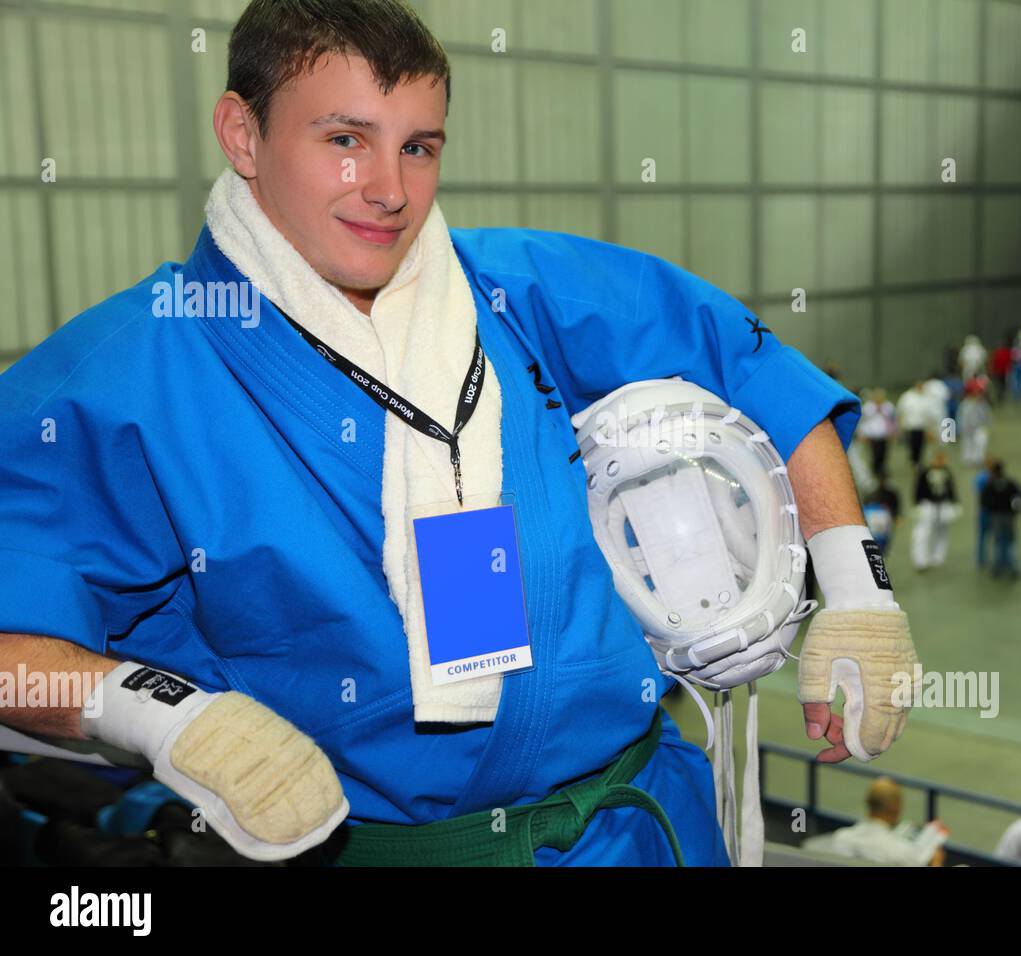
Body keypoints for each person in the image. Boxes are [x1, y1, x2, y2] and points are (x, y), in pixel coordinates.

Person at [0, 0, 919, 867]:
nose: (389, 191)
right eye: (345, 141)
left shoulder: (514, 290)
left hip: (633, 822)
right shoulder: (124, 380)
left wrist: (856, 588)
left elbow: (746, 363)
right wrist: (163, 718)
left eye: (419, 146)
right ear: (243, 134)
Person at [805, 778, 946, 866]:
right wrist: (936, 863)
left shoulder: (841, 838)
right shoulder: (900, 852)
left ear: (868, 802)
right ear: (896, 807)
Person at [911, 451, 959, 572]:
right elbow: (918, 489)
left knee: (943, 532)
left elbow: (951, 489)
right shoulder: (925, 473)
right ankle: (921, 560)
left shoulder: (947, 472)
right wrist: (917, 504)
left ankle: (938, 557)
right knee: (922, 533)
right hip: (928, 505)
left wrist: (955, 503)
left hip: (943, 505)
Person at [980, 461, 1021, 579]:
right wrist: (1015, 511)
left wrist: (992, 508)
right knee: (1010, 542)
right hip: (1009, 517)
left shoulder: (990, 485)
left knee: (998, 541)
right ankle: (1013, 568)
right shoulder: (1011, 483)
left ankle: (998, 568)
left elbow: (984, 501)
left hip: (996, 517)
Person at [856, 388, 896, 479]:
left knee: (884, 454)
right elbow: (863, 422)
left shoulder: (888, 406)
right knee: (874, 454)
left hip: (884, 435)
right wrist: (862, 435)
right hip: (872, 436)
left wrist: (894, 432)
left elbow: (893, 420)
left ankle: (882, 471)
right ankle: (875, 471)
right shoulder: (868, 407)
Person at [863, 470, 902, 556]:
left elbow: (895, 504)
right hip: (875, 514)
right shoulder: (872, 489)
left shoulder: (887, 491)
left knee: (880, 539)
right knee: (875, 538)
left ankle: (879, 553)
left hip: (880, 515)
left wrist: (896, 516)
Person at [896, 380, 933, 470]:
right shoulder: (907, 397)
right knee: (912, 445)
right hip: (910, 426)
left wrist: (930, 429)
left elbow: (929, 415)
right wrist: (900, 427)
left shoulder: (927, 398)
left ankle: (918, 462)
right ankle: (913, 461)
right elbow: (900, 411)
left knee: (920, 446)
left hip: (921, 426)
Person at [956, 382, 991, 467]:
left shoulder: (982, 403)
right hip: (967, 428)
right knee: (968, 444)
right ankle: (968, 460)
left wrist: (988, 424)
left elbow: (987, 415)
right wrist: (962, 428)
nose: (977, 394)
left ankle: (978, 459)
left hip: (979, 427)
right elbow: (961, 417)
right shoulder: (965, 404)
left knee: (981, 442)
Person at [990, 338, 1013, 404]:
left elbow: (994, 361)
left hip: (998, 371)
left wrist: (993, 370)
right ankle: (1001, 395)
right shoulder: (1007, 352)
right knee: (1003, 384)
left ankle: (999, 394)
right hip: (1004, 371)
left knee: (998, 383)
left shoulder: (997, 352)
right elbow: (1009, 362)